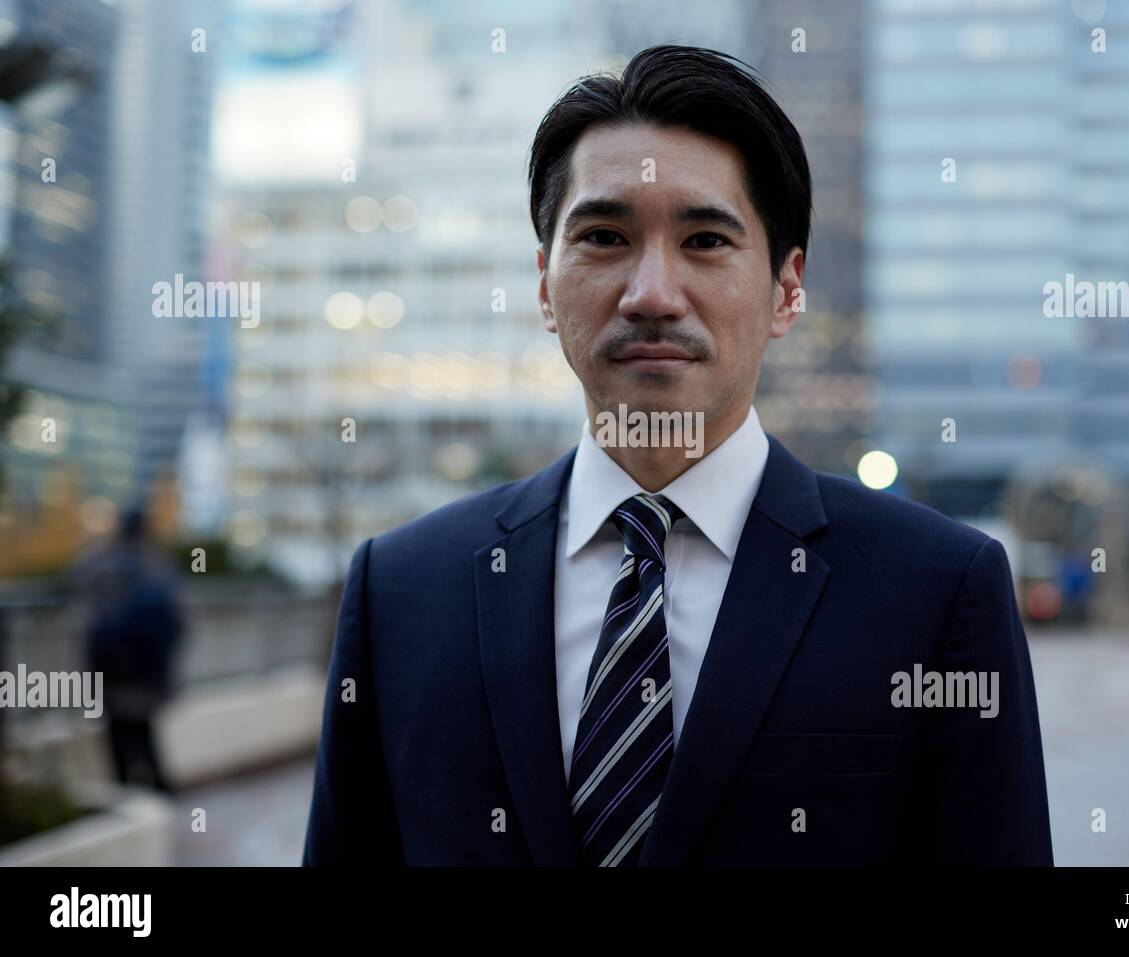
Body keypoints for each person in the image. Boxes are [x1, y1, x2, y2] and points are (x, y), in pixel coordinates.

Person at [303, 45, 1053, 866]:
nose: (652, 294)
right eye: (603, 235)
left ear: (787, 289)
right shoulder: (401, 592)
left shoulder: (937, 593)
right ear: (545, 285)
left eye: (704, 239)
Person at [73, 507, 183, 793]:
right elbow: (178, 618)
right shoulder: (158, 564)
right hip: (148, 675)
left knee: (118, 739)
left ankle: (127, 794)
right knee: (145, 734)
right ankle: (158, 794)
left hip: (111, 672)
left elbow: (74, 580)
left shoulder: (104, 561)